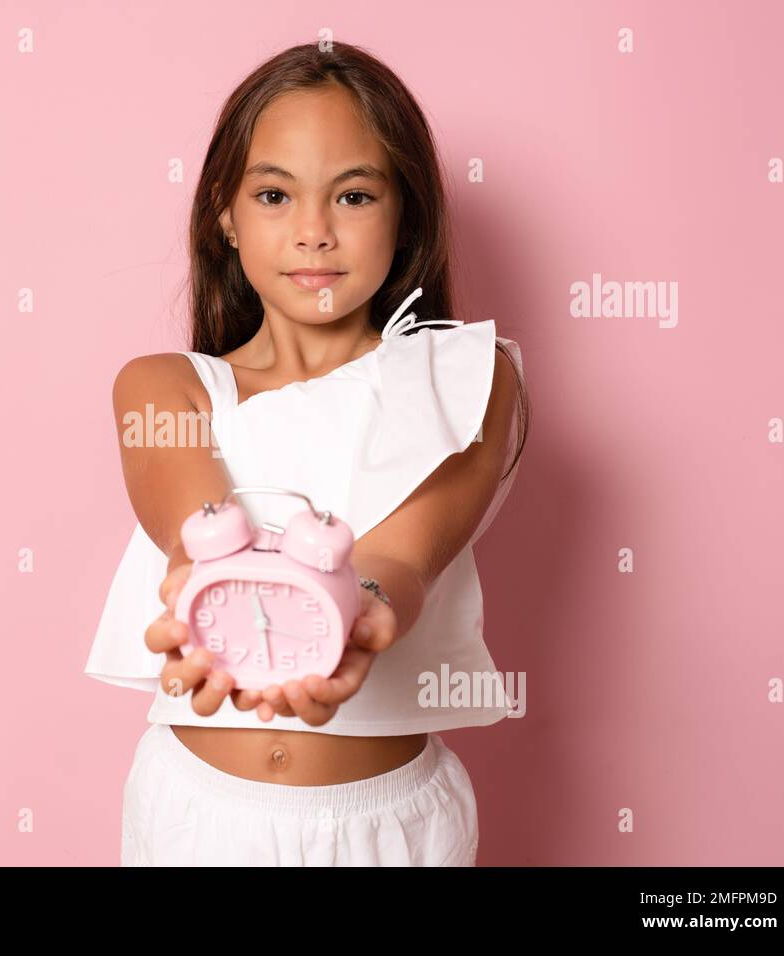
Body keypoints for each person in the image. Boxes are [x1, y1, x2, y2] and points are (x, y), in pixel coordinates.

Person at [84, 40, 532, 866]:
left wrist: (357, 610)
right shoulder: (163, 385)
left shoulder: (468, 377)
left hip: (390, 828)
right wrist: (200, 574)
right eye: (275, 195)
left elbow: (404, 555)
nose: (315, 233)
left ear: (407, 216)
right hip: (195, 815)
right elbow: (193, 518)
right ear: (226, 212)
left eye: (354, 195)